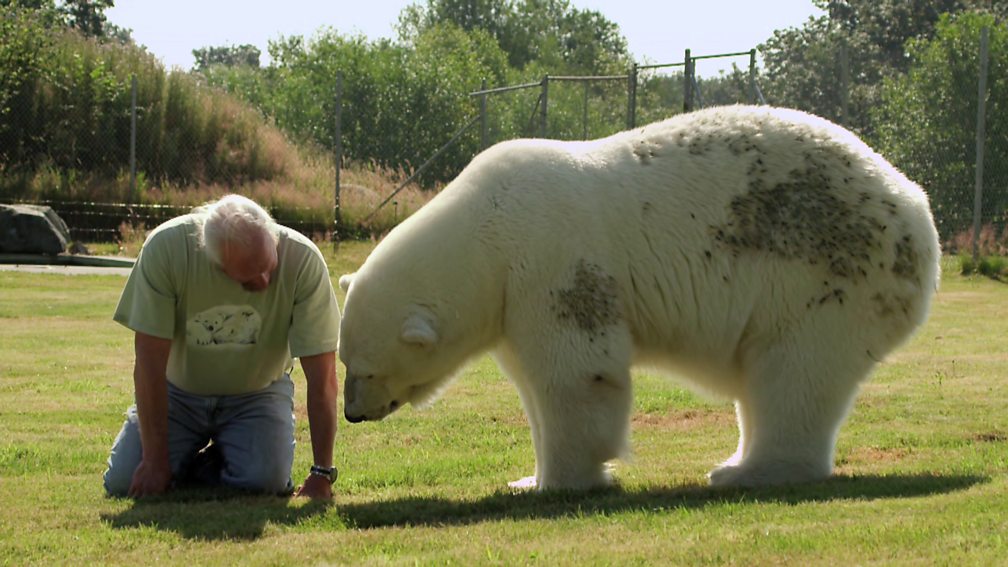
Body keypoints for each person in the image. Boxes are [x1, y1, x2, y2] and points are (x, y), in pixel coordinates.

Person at [103, 194, 341, 499]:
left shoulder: (304, 260)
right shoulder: (167, 249)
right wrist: (153, 461)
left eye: (268, 266)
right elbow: (149, 364)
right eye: (248, 279)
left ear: (273, 237)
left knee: (265, 482)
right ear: (213, 261)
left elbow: (323, 378)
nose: (264, 282)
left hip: (258, 394)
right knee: (123, 482)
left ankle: (211, 462)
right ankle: (196, 460)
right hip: (178, 394)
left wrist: (322, 473)